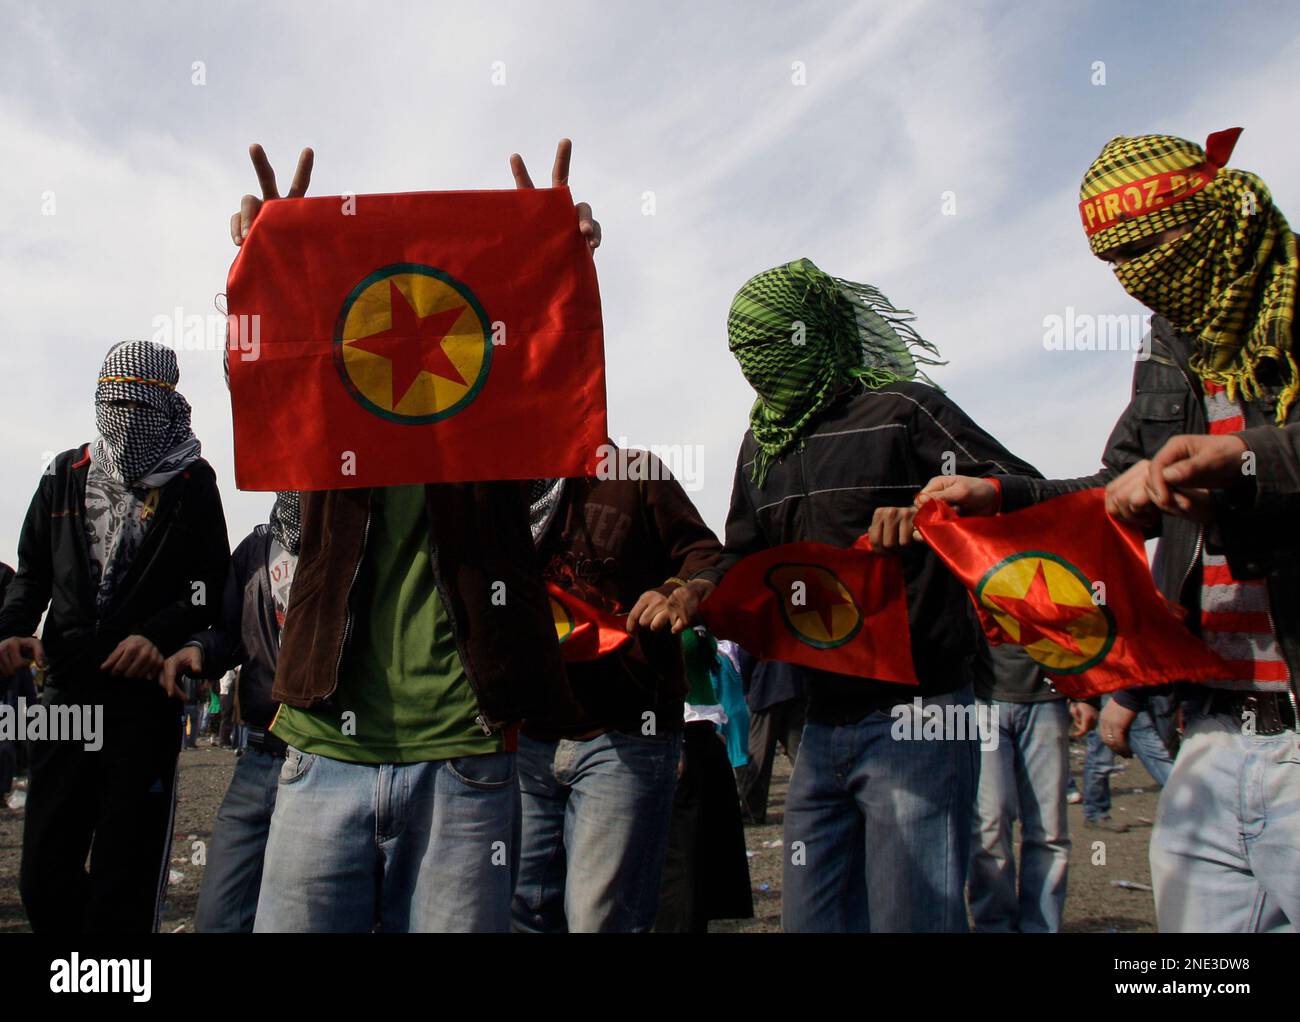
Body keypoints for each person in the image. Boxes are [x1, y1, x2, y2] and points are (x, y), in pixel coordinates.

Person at [921, 127, 1300, 932]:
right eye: (1115, 265)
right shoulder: (1171, 346)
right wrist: (1002, 493)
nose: (1137, 280)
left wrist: (1245, 459)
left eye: (1150, 249)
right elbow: (1113, 485)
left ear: (1209, 216)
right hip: (1212, 721)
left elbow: (1251, 462)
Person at [230, 141, 597, 933]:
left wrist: (554, 262)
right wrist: (270, 263)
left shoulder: (498, 418)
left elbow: (560, 405)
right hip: (323, 744)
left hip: (463, 749)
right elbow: (270, 372)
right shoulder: (324, 418)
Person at [667, 257, 1040, 932]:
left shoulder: (905, 412)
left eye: (772, 344)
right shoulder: (763, 446)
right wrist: (695, 590)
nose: (756, 364)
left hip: (918, 714)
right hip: (817, 722)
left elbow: (1013, 494)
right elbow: (743, 555)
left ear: (819, 332)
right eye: (741, 352)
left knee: (911, 915)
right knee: (813, 916)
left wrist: (930, 519)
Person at [0, 340, 230, 932]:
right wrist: (13, 630)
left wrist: (157, 635)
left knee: (125, 874)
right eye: (115, 401)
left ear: (170, 405)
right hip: (65, 695)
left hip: (143, 701)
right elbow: (32, 572)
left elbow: (208, 588)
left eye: (142, 404)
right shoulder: (63, 474)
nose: (127, 418)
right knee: (43, 872)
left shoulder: (192, 481)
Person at [513, 451, 722, 933]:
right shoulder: (503, 480)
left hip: (626, 731)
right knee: (520, 912)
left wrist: (679, 588)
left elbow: (706, 555)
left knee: (600, 918)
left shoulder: (635, 472)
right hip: (527, 739)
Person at [162, 492, 300, 932]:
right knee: (219, 915)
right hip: (259, 759)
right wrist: (198, 647)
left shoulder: (360, 539)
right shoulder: (255, 549)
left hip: (329, 763)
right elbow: (229, 631)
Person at [968, 643, 1081, 932]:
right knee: (989, 825)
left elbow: (1087, 612)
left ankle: (1041, 927)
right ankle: (995, 926)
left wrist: (1088, 693)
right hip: (981, 694)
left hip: (1049, 695)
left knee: (1049, 831)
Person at [655, 627, 754, 932]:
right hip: (678, 732)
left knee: (706, 854)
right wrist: (673, 738)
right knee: (680, 857)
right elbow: (653, 674)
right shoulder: (655, 606)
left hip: (705, 733)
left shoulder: (695, 608)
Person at [734, 648, 806, 825]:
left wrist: (746, 686)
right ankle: (817, 800)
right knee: (802, 756)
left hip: (767, 688)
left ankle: (753, 810)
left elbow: (747, 653)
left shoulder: (757, 621)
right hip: (796, 687)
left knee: (759, 754)